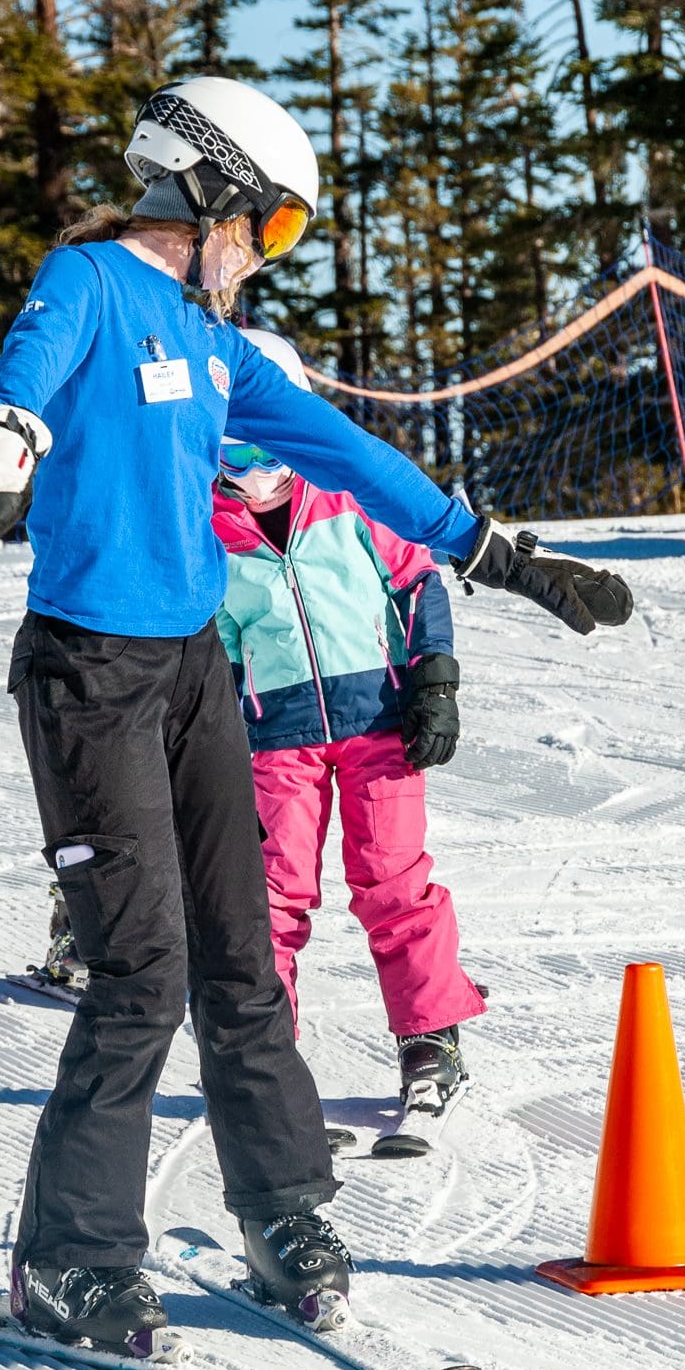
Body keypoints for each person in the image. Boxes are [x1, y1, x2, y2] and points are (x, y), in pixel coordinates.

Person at [0, 75, 633, 1360]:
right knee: (139, 969)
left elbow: (347, 453)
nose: (262, 260)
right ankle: (67, 1258)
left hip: (197, 669)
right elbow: (31, 358)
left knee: (241, 957)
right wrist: (7, 430)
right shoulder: (91, 280)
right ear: (205, 188)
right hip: (87, 676)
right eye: (265, 230)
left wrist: (501, 555)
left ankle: (283, 1215)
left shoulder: (216, 350)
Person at [212, 330, 485, 1156]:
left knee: (393, 884)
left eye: (267, 443)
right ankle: (268, 1072)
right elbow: (214, 641)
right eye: (232, 451)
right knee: (268, 899)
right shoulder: (205, 525)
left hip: (376, 717)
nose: (253, 469)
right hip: (273, 736)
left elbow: (413, 582)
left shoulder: (348, 494)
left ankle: (431, 1041)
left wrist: (432, 678)